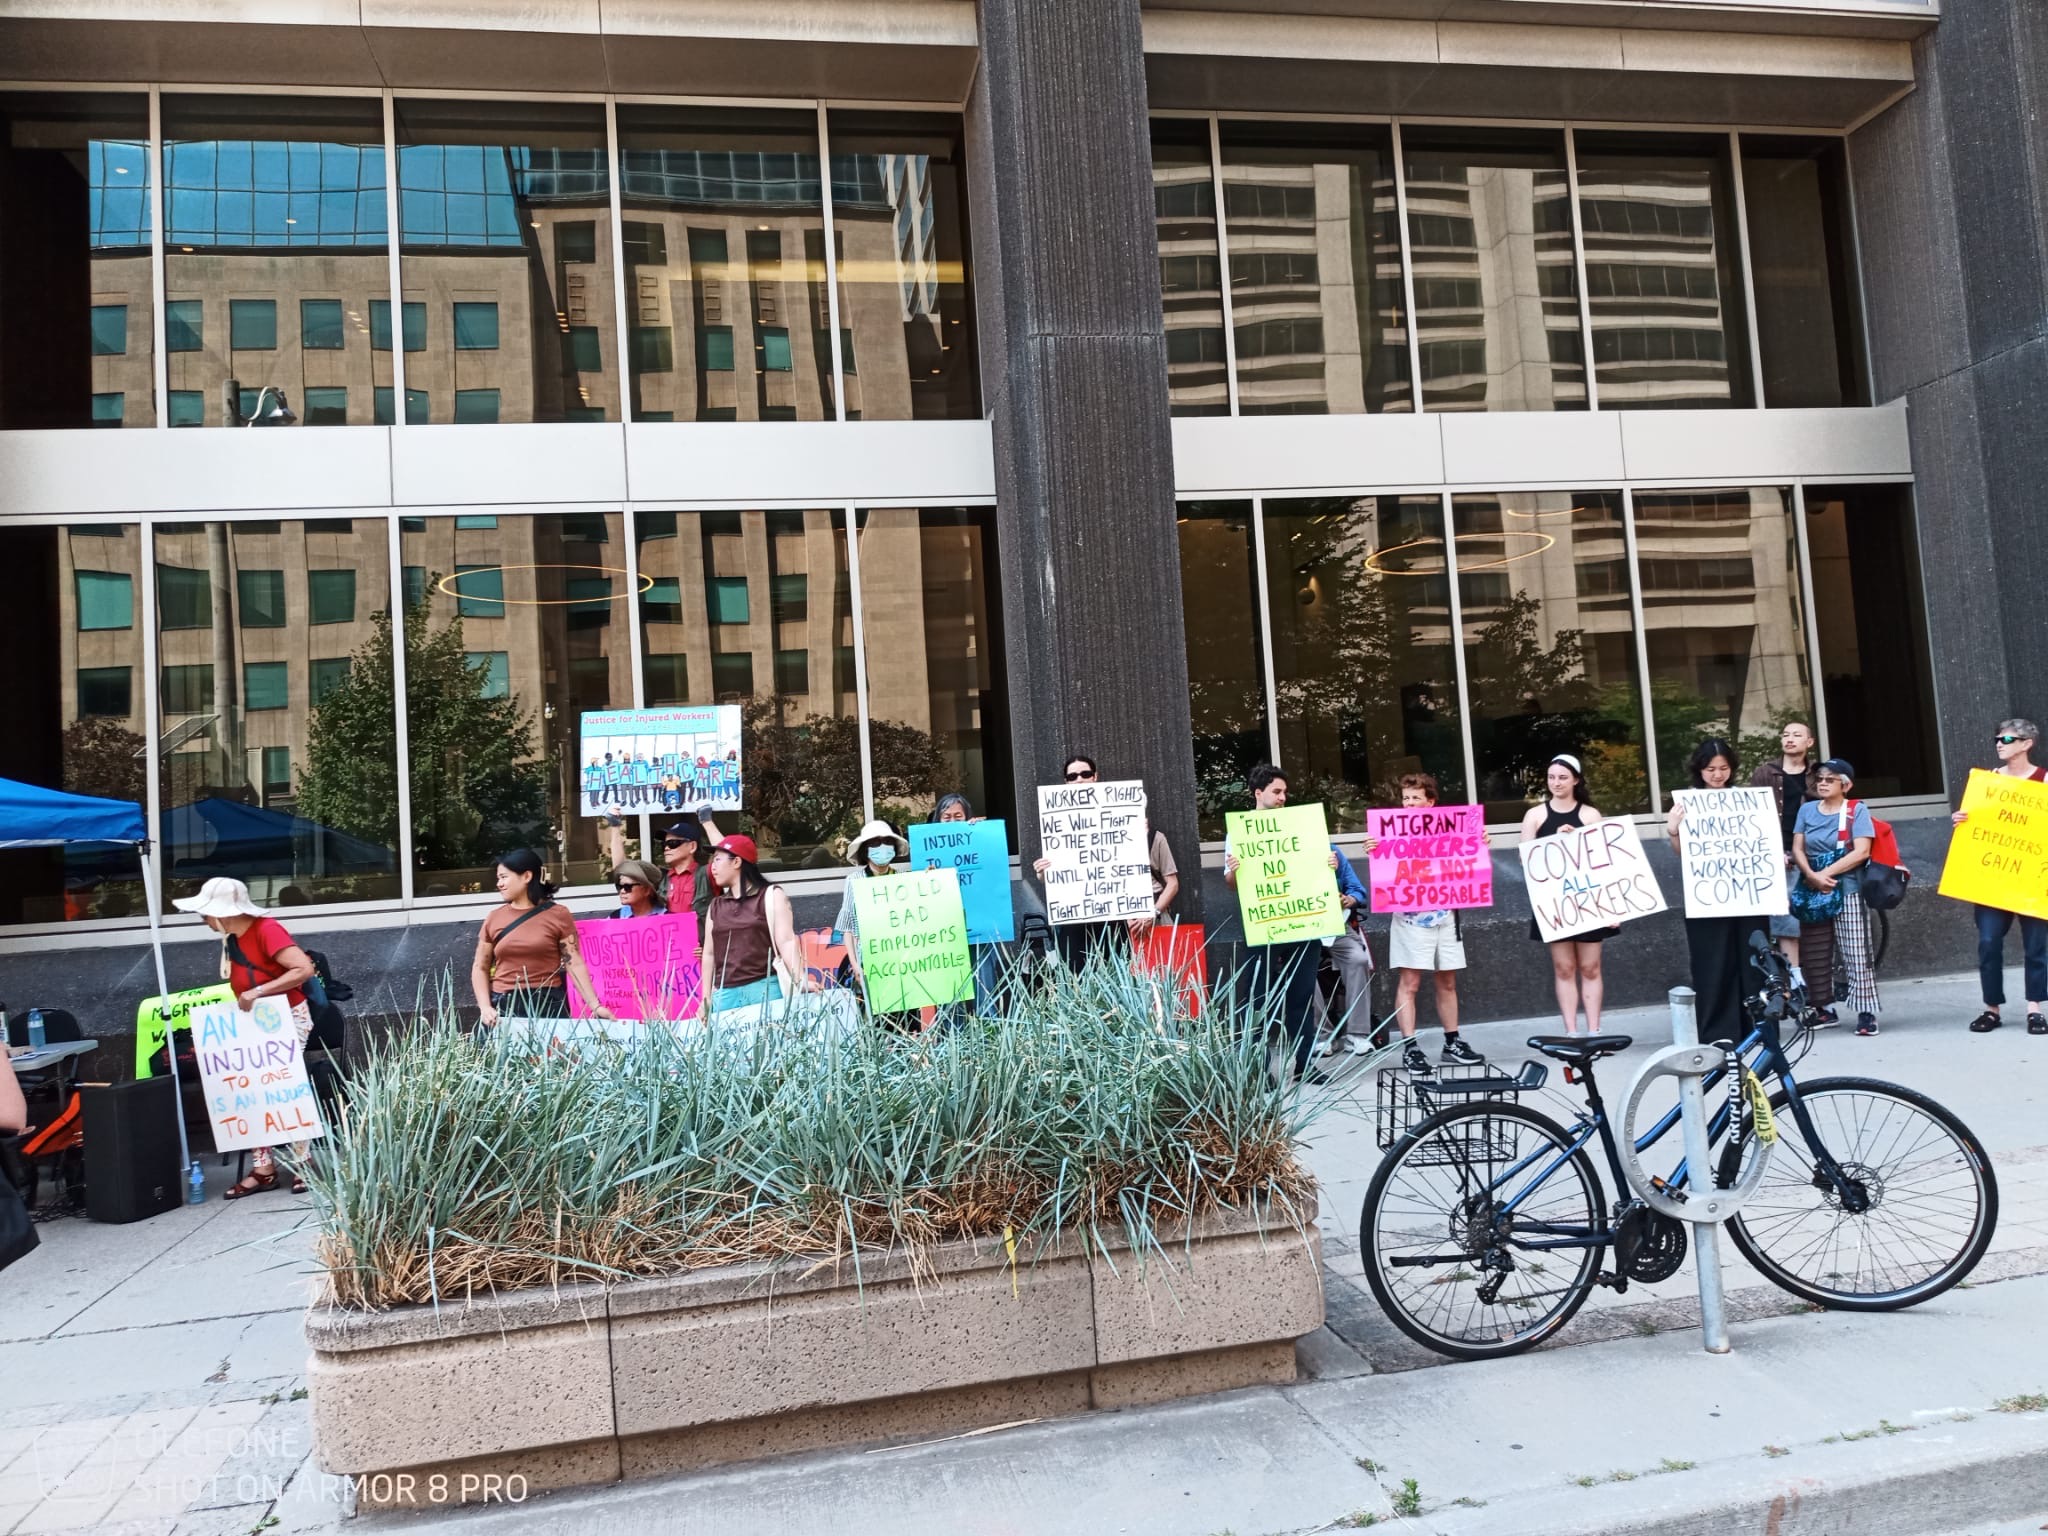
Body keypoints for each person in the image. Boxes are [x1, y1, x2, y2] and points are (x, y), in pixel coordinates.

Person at [172, 877, 320, 1198]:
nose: (203, 921)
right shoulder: (233, 938)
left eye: (205, 914)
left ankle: (302, 1161)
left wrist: (258, 991)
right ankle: (263, 1167)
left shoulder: (266, 930)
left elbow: (302, 969)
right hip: (258, 1022)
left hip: (285, 1017)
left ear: (222, 913)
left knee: (282, 1085)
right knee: (251, 1087)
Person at [1225, 764, 1336, 1085]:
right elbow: (1231, 884)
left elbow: (1318, 869)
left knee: (1301, 995)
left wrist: (1331, 862)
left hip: (1302, 921)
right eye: (1277, 791)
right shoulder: (1241, 830)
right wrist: (1234, 869)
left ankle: (1304, 1064)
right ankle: (1259, 1068)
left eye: (1285, 792)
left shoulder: (1302, 827)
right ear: (1258, 793)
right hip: (1263, 924)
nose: (1282, 797)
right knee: (1258, 998)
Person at [1364, 772, 1480, 1074]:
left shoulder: (1450, 831)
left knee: (1447, 981)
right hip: (1410, 918)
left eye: (1415, 798)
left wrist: (1479, 842)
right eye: (1405, 798)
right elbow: (1385, 867)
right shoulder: (1392, 835)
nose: (1409, 804)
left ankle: (1452, 1041)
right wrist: (1374, 848)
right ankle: (1410, 1048)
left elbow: (1469, 862)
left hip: (1447, 916)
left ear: (1431, 802)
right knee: (1410, 983)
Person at [1666, 738, 1771, 1047]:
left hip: (1748, 892)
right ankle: (1719, 1031)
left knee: (1753, 959)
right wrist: (1673, 829)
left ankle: (1760, 1026)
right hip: (1708, 894)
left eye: (1724, 768)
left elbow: (1761, 842)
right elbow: (1682, 852)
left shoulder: (1746, 799)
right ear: (1699, 770)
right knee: (1713, 963)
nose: (1717, 775)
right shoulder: (1688, 802)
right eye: (1710, 769)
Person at [1031, 755, 1178, 969]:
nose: (1079, 780)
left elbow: (1167, 880)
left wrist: (1134, 838)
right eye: (1072, 776)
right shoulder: (1057, 823)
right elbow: (1056, 877)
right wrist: (1042, 873)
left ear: (1095, 777)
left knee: (1119, 978)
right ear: (1066, 782)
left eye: (1085, 774)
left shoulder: (1123, 820)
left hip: (1113, 921)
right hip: (1075, 922)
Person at [1958, 718, 2048, 1034]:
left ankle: (2035, 1008)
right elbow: (1977, 824)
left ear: (2027, 744)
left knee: (2037, 944)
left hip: (2033, 879)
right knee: (1988, 941)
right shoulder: (1988, 781)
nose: (1999, 743)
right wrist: (1962, 820)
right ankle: (1991, 1008)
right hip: (1993, 877)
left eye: (2007, 738)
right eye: (1997, 737)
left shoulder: (2045, 780)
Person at [1519, 754, 1614, 1036]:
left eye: (1562, 777)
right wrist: (1555, 842)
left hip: (1588, 901)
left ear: (1576, 779)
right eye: (1551, 777)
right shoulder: (1534, 815)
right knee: (1563, 967)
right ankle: (1571, 1030)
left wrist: (1611, 907)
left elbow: (1605, 863)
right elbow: (1527, 860)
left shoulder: (1590, 815)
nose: (1556, 783)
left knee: (1590, 966)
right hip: (1554, 903)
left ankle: (1594, 1030)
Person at [470, 850, 613, 1027]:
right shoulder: (494, 918)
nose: (499, 884)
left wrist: (595, 1005)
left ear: (527, 876)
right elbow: (480, 967)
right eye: (498, 878)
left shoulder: (558, 914)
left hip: (547, 1004)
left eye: (504, 877)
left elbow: (573, 962)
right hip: (503, 1006)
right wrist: (485, 1007)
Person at [1791, 759, 1881, 1036]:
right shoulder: (1807, 810)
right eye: (1820, 778)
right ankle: (1824, 1008)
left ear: (1846, 784)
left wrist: (1825, 873)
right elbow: (1798, 846)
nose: (1823, 783)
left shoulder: (1856, 810)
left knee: (1855, 949)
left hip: (1847, 888)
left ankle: (1866, 1012)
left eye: (1830, 779)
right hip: (1812, 887)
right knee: (1815, 952)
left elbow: (1862, 851)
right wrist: (1810, 874)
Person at [699, 835, 820, 1019]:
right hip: (725, 995)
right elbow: (708, 954)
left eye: (717, 859)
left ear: (737, 862)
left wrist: (801, 980)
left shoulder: (771, 896)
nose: (712, 867)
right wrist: (706, 998)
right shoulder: (715, 906)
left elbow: (786, 941)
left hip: (765, 989)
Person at [836, 819, 924, 1031]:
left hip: (902, 967)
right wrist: (855, 965)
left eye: (886, 842)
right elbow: (847, 927)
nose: (882, 847)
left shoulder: (903, 879)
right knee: (874, 1028)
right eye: (875, 843)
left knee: (906, 1027)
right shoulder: (854, 880)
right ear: (866, 850)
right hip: (869, 967)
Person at [1752, 721, 1822, 984]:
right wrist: (1770, 851)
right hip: (1777, 852)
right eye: (1785, 735)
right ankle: (1794, 978)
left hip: (1812, 852)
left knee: (1815, 919)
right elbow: (1754, 816)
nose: (1790, 739)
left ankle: (1816, 978)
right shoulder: (1765, 773)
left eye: (1797, 735)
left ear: (1809, 742)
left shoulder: (1819, 774)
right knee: (1785, 919)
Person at [933, 793, 1005, 1014]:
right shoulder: (930, 846)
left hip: (978, 925)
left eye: (958, 816)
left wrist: (981, 833)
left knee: (984, 981)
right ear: (938, 819)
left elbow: (992, 862)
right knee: (949, 989)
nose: (953, 821)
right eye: (947, 817)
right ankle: (952, 1037)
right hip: (944, 929)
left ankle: (990, 1034)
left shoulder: (977, 835)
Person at [1318, 838, 1375, 1058]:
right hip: (1300, 928)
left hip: (1336, 925)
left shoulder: (1332, 851)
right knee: (1302, 968)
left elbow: (1358, 891)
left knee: (1358, 959)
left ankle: (1357, 1034)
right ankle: (1321, 1035)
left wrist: (1349, 899)